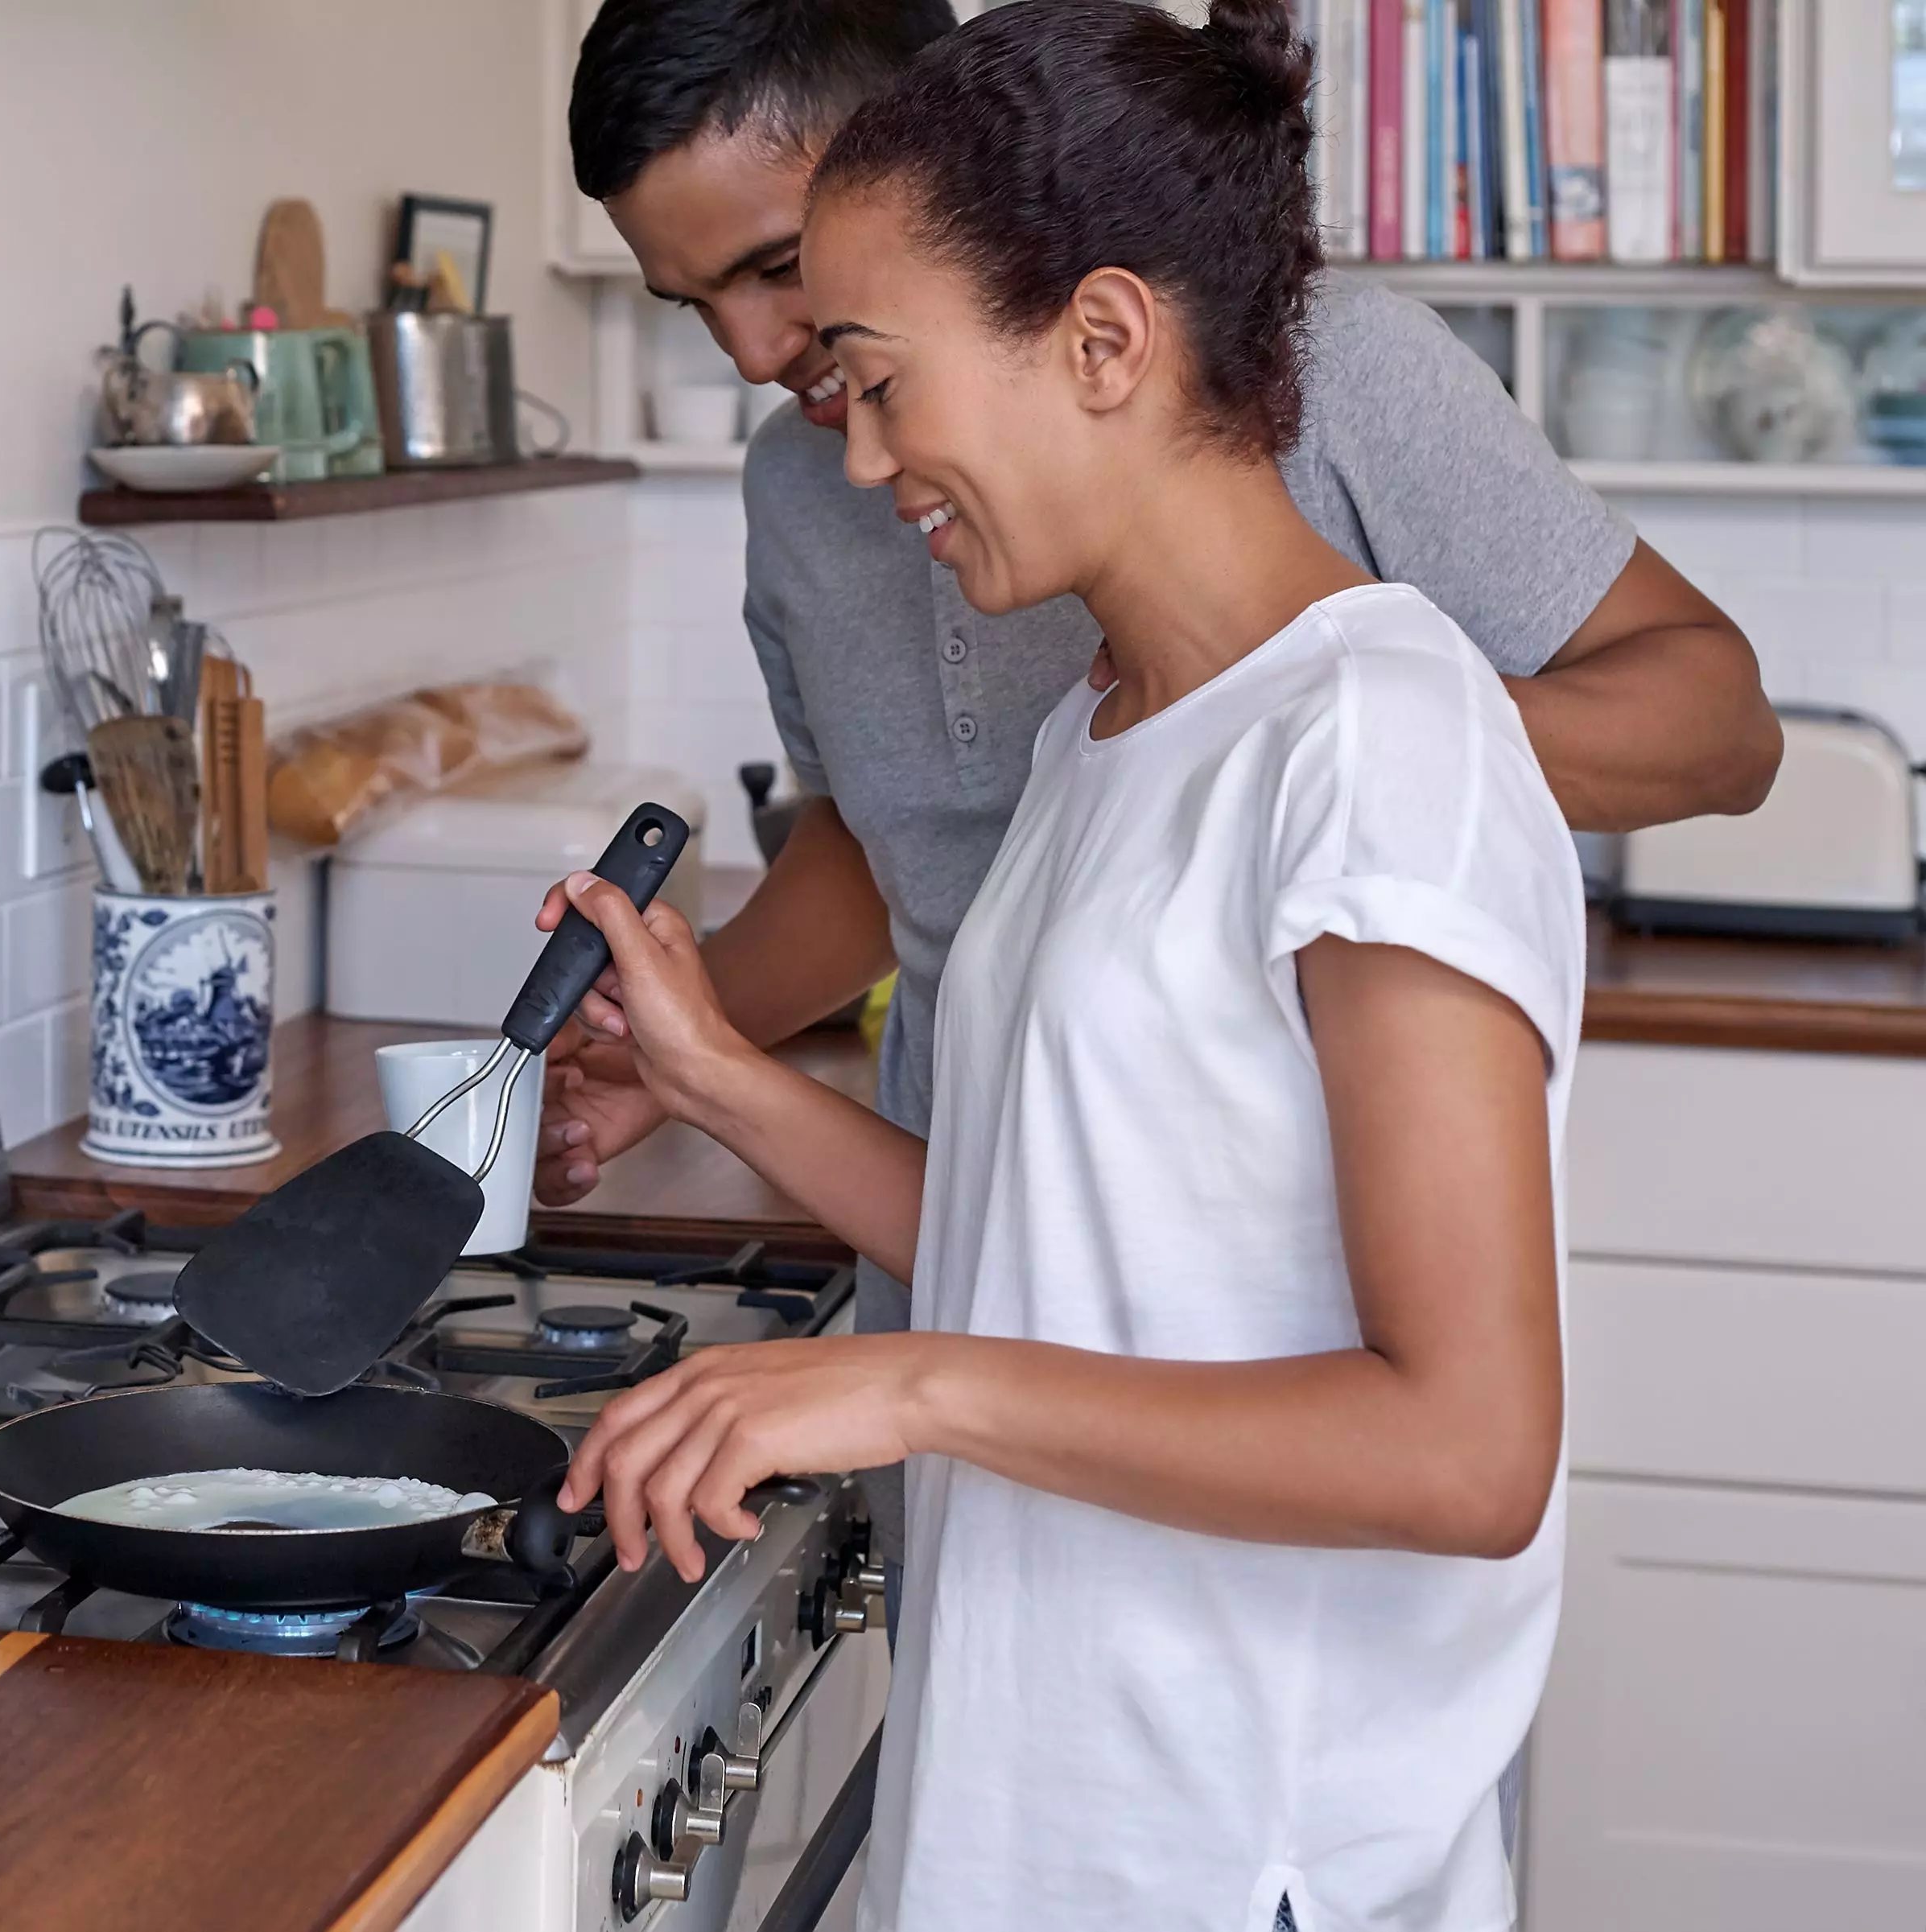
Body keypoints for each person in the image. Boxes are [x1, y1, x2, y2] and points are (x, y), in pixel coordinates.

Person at [547, 2, 1594, 1924]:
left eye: (877, 381)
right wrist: (713, 1073)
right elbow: (1046, 1244)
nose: (853, 462)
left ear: (1104, 341)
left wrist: (912, 1392)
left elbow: (1468, 1448)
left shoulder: (1381, 742)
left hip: (1242, 1850)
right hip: (1044, 1802)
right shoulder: (1104, 735)